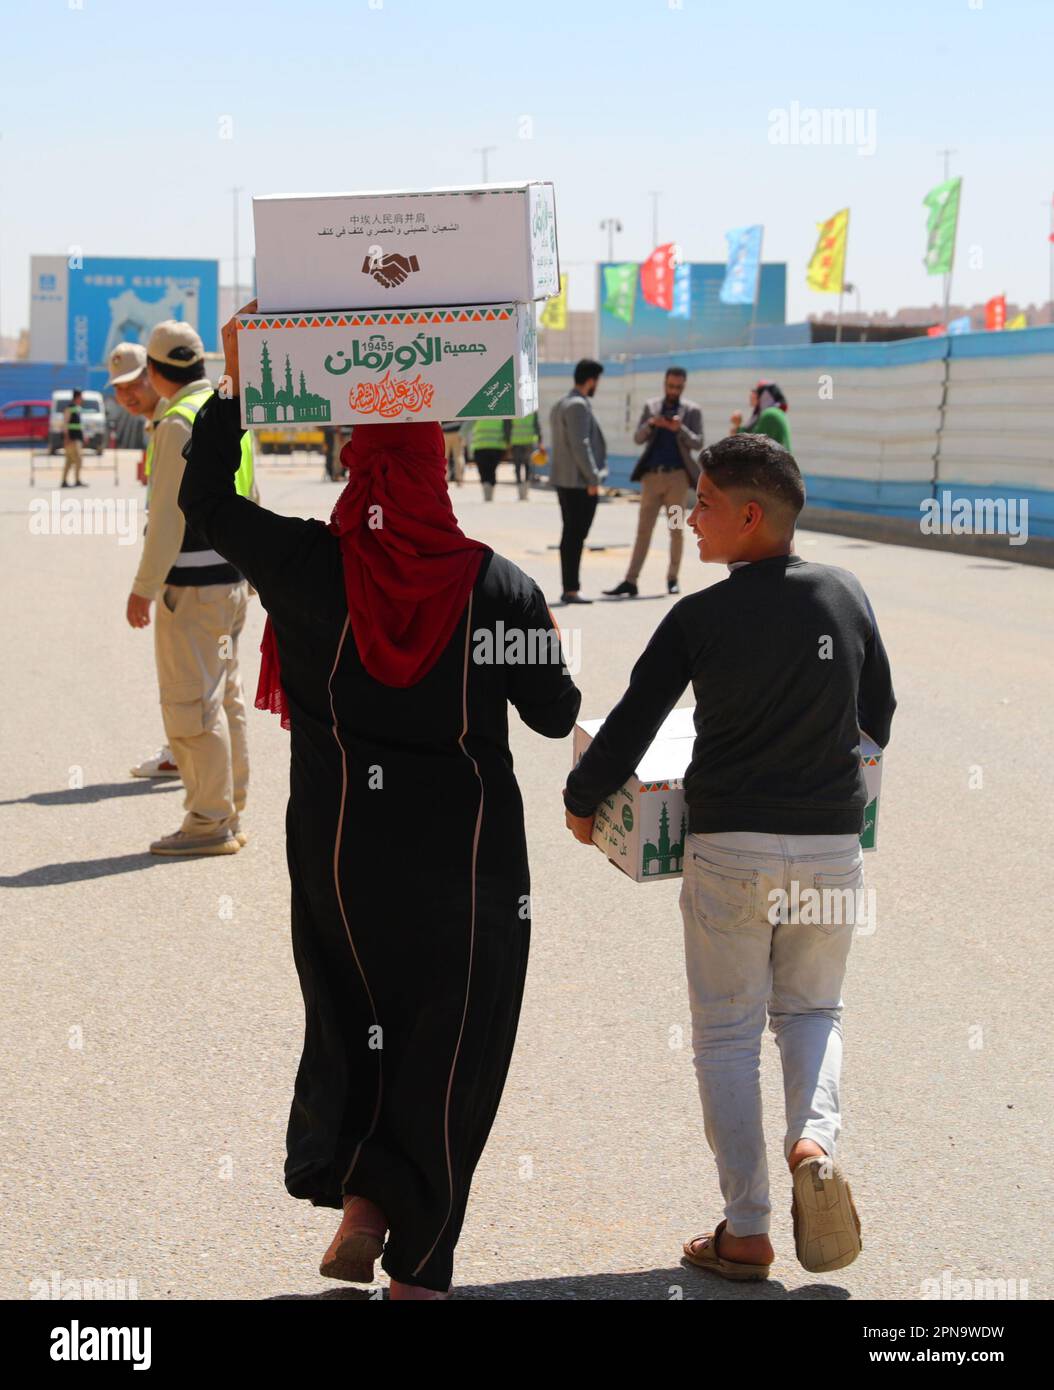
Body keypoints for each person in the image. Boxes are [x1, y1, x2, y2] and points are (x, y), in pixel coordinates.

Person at [177, 303, 582, 1299]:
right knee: (452, 1049)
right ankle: (420, 1269)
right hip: (466, 870)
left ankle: (363, 1200)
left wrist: (235, 386)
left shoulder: (307, 566)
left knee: (354, 1015)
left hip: (341, 858)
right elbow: (554, 714)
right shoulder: (499, 589)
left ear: (357, 473)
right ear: (436, 474)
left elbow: (207, 502)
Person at [563, 433, 895, 1281]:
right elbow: (879, 717)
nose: (690, 515)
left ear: (751, 517)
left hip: (732, 849)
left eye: (704, 503)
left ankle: (747, 1230)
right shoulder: (846, 595)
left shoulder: (699, 617)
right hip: (833, 845)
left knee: (725, 1037)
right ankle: (813, 1144)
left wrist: (581, 802)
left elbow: (632, 723)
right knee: (813, 1011)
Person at [125, 321, 250, 856]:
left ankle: (208, 822)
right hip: (230, 582)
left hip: (192, 589)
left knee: (190, 702)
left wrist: (143, 587)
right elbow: (251, 493)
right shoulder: (226, 407)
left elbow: (166, 518)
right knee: (224, 698)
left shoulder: (177, 421)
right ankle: (230, 809)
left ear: (155, 372)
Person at [604, 367, 703, 598]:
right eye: (670, 386)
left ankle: (672, 579)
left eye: (678, 387)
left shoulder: (692, 411)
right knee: (643, 531)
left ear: (683, 386)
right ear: (664, 384)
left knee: (676, 529)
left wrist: (680, 429)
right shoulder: (652, 407)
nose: (674, 390)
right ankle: (631, 581)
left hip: (677, 480)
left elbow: (698, 442)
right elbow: (638, 438)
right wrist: (652, 423)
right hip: (651, 479)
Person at [549, 359, 606, 604]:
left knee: (571, 534)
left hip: (566, 481)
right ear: (591, 380)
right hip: (578, 482)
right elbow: (580, 445)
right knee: (575, 535)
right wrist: (593, 478)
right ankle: (571, 588)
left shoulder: (561, 404)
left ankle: (570, 587)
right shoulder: (577, 405)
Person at [731, 380, 791, 449]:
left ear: (765, 395)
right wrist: (737, 426)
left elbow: (752, 446)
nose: (751, 394)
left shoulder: (771, 414)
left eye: (757, 391)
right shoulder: (774, 413)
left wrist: (737, 428)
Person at [466, 415, 508, 501]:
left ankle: (487, 493)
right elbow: (505, 431)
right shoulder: (500, 415)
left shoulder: (477, 414)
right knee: (492, 470)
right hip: (496, 448)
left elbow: (466, 428)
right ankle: (490, 494)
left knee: (483, 471)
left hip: (480, 448)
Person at [509, 410, 541, 501]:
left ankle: (521, 492)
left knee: (519, 467)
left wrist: (508, 442)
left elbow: (508, 428)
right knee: (527, 466)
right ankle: (524, 492)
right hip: (527, 442)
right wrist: (540, 440)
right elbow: (537, 427)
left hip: (517, 442)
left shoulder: (514, 410)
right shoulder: (532, 411)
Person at [62, 389, 86, 488]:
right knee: (78, 459)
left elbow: (79, 424)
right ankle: (77, 480)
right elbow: (65, 423)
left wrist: (84, 436)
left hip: (77, 438)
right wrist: (66, 438)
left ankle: (64, 481)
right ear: (77, 397)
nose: (83, 399)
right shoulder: (70, 408)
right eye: (81, 397)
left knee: (69, 461)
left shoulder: (77, 408)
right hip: (72, 439)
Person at [441, 421, 465, 488]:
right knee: (458, 457)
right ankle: (459, 479)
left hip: (445, 433)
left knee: (445, 457)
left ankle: (445, 478)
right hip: (457, 432)